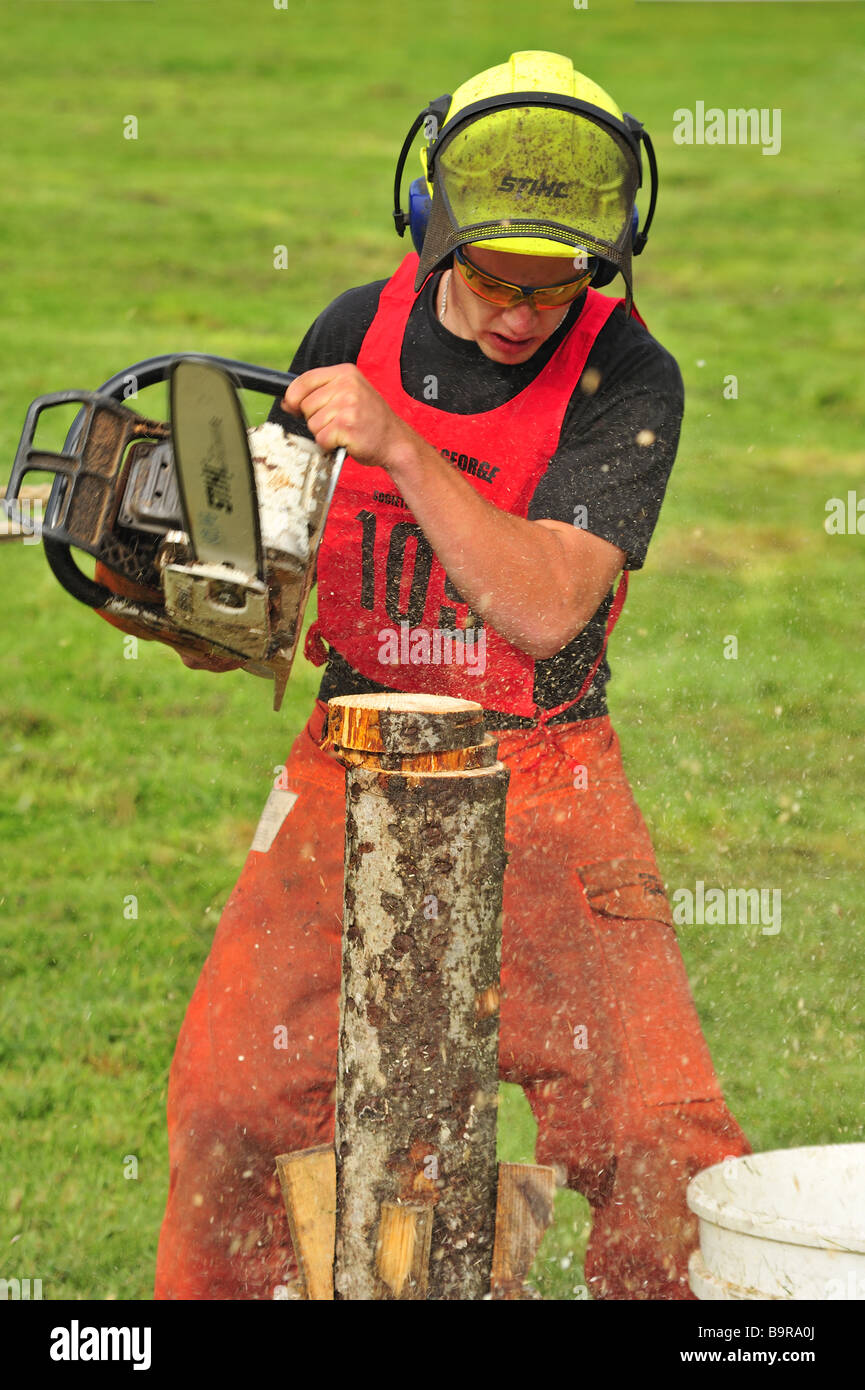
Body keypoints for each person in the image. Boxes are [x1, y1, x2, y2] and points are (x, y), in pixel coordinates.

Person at [139, 50, 751, 1300]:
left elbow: (545, 603)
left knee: (655, 1138)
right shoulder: (347, 331)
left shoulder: (629, 376)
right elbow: (271, 587)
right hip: (351, 760)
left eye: (559, 280)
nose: (526, 312)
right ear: (432, 228)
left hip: (548, 777)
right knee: (230, 1102)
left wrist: (405, 448)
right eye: (493, 277)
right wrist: (184, 609)